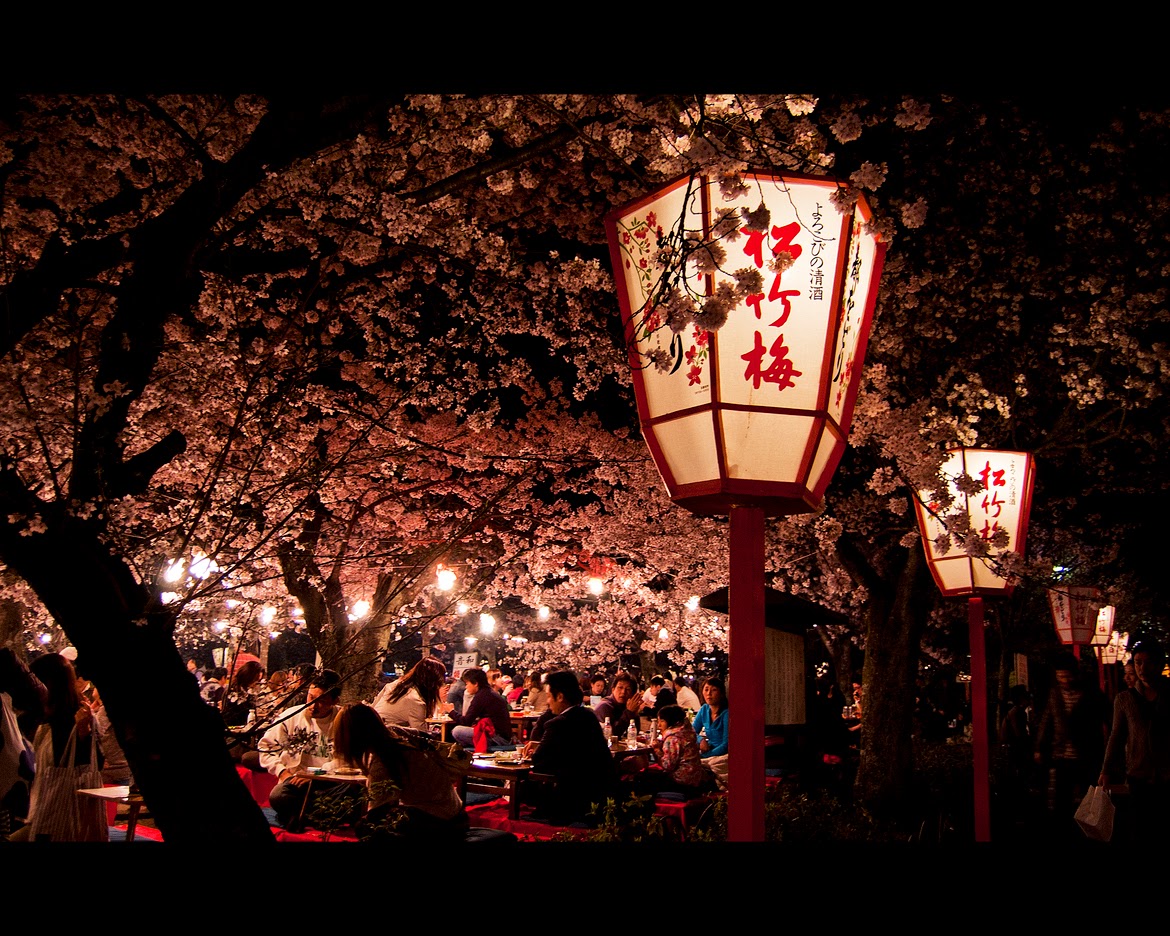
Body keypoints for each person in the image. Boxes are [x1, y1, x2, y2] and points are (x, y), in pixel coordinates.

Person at [330, 702, 468, 840]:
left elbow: (377, 812)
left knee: (366, 827)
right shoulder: (396, 732)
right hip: (456, 813)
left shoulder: (383, 760)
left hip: (440, 822)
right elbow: (427, 739)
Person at [1099, 641, 1170, 842]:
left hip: (1166, 773)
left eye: (1148, 663)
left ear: (1160, 664)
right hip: (1138, 773)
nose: (1142, 669)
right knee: (1140, 828)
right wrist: (1106, 770)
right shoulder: (1125, 699)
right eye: (1138, 663)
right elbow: (1117, 735)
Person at [526, 670, 618, 824]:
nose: (548, 702)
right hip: (601, 797)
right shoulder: (589, 717)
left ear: (560, 696)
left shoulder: (557, 724)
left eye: (549, 696)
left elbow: (538, 762)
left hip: (570, 802)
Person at [259, 669, 343, 830]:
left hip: (329, 783)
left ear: (334, 700)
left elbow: (347, 760)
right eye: (311, 697)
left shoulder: (342, 719)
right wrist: (283, 772)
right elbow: (266, 746)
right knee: (278, 796)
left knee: (353, 793)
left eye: (321, 700)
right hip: (295, 782)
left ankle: (300, 815)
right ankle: (314, 816)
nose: (313, 705)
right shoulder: (291, 716)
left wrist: (317, 777)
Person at [1034, 652, 1110, 827]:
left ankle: (1087, 829)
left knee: (1087, 798)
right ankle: (1064, 830)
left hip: (1086, 753)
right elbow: (1047, 721)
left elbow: (1108, 717)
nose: (1064, 680)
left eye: (1067, 676)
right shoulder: (1055, 693)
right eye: (1060, 676)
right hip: (1061, 754)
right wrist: (1039, 747)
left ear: (1075, 674)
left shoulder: (1091, 693)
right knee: (1061, 798)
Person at [629, 704, 712, 798]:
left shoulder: (673, 738)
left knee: (641, 778)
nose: (659, 725)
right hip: (693, 779)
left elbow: (667, 765)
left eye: (662, 721)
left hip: (681, 782)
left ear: (671, 722)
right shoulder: (687, 733)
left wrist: (656, 750)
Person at [371, 657, 446, 731]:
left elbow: (372, 709)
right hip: (386, 736)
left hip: (370, 728)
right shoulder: (416, 702)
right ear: (432, 683)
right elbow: (420, 734)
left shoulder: (393, 685)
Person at [449, 668, 511, 748]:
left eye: (467, 683)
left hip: (497, 738)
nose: (466, 687)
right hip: (504, 736)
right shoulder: (488, 692)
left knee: (457, 731)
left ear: (476, 683)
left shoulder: (481, 696)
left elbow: (466, 721)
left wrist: (451, 711)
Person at [592, 672, 643, 738]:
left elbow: (634, 733)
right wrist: (629, 712)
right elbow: (613, 734)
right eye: (620, 687)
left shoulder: (627, 705)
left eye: (628, 689)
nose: (623, 692)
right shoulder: (605, 706)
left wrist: (634, 713)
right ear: (613, 690)